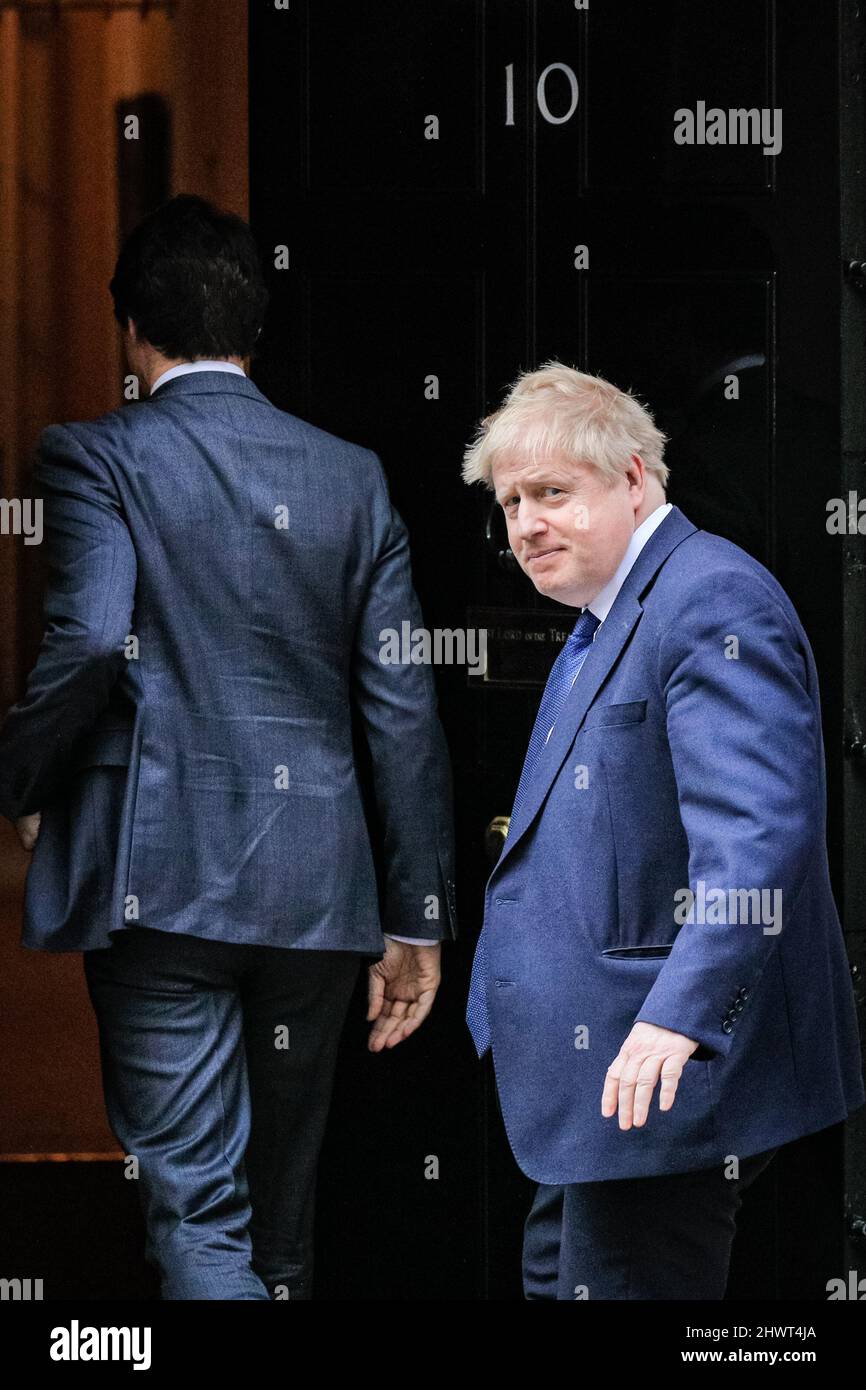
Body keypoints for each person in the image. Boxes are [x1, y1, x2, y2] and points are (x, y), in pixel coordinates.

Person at [0, 193, 457, 1300]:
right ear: (254, 329)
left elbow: (93, 635)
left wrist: (23, 775)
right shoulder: (351, 477)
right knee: (277, 1230)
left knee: (200, 1216)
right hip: (315, 894)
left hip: (161, 884)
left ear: (132, 333)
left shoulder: (96, 457)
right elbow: (401, 704)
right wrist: (414, 916)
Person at [463, 361, 865, 1300]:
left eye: (553, 493)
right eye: (511, 501)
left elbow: (758, 838)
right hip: (589, 1079)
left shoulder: (709, 600)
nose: (525, 524)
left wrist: (678, 1017)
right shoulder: (606, 617)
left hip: (656, 1071)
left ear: (637, 476)